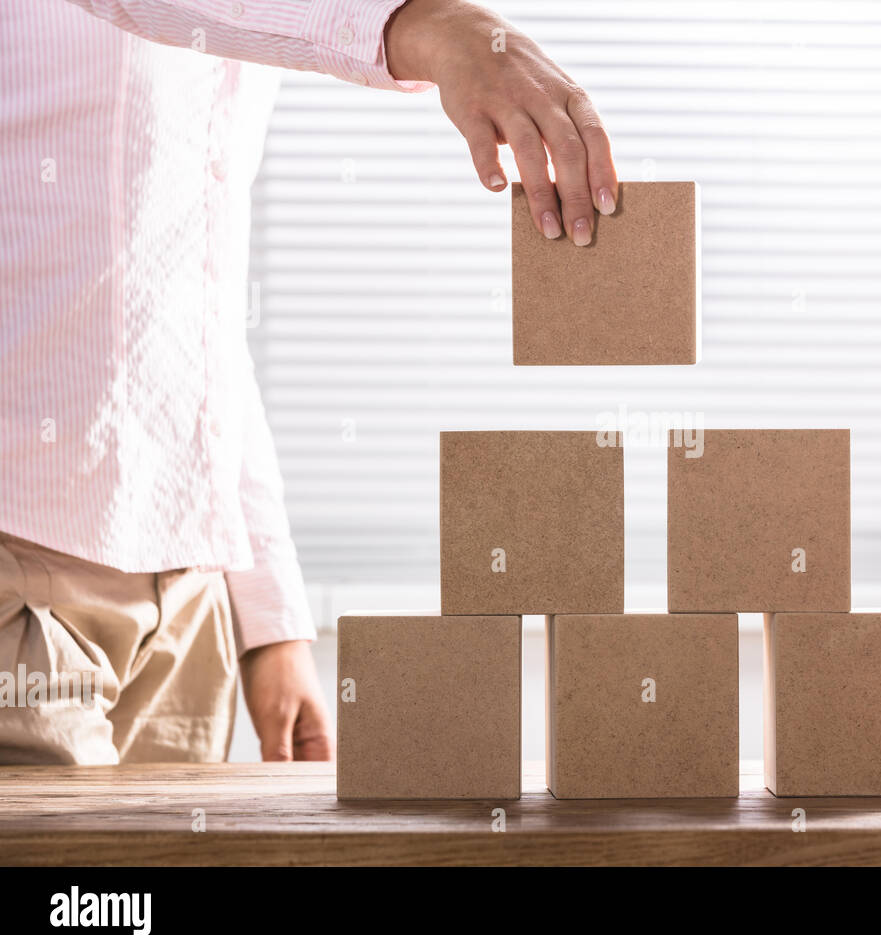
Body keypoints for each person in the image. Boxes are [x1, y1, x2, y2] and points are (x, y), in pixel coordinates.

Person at [0, 0, 617, 764]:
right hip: (23, 576)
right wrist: (424, 28)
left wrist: (270, 618)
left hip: (190, 611)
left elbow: (196, 331)